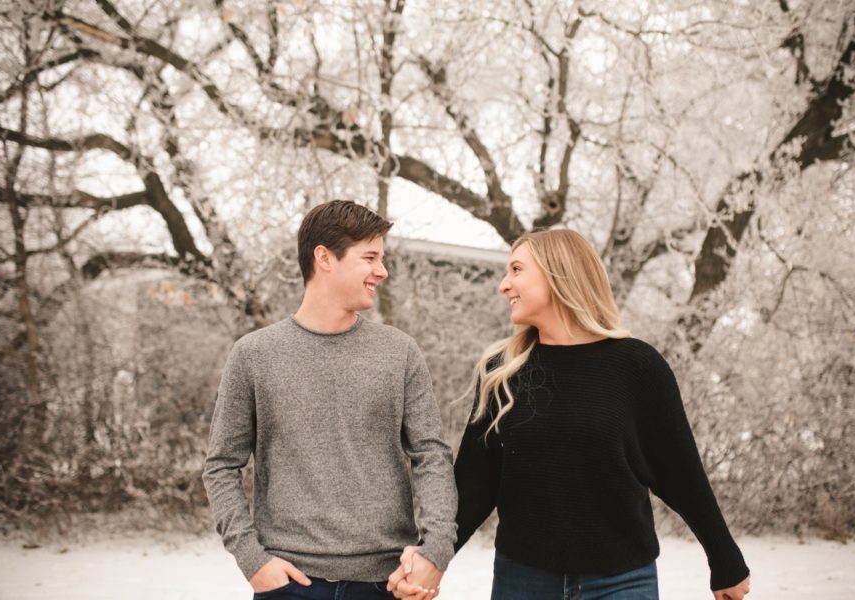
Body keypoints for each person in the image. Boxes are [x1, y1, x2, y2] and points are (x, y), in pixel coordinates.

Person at [389, 228, 751, 600]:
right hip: (523, 581)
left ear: (557, 273)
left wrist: (724, 558)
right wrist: (431, 558)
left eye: (516, 270)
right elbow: (475, 485)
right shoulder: (502, 371)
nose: (503, 285)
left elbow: (681, 472)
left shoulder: (638, 367)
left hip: (622, 581)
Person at [203, 200, 456, 600]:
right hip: (289, 583)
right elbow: (220, 465)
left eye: (382, 258)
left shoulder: (399, 352)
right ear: (324, 257)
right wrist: (252, 560)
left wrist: (436, 550)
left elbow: (432, 456)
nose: (382, 271)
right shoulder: (253, 355)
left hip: (386, 582)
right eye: (370, 257)